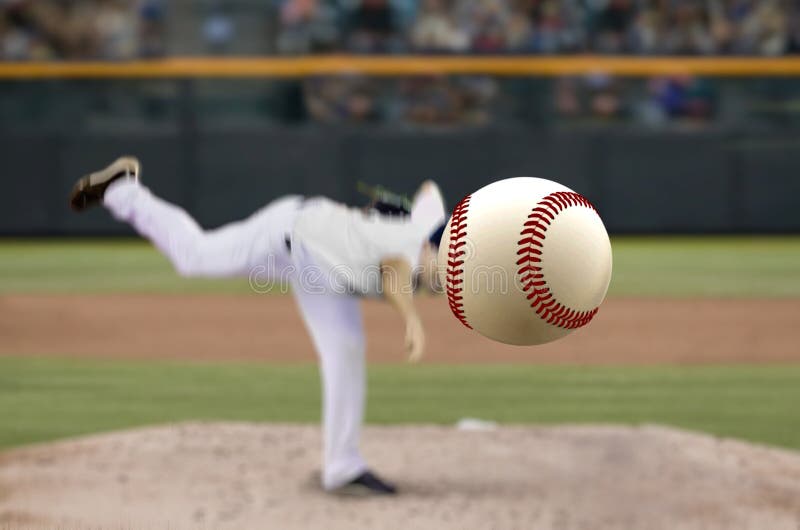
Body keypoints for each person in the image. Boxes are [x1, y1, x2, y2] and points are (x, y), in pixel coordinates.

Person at [68, 157, 447, 496]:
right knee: (194, 257)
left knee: (344, 348)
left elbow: (430, 191)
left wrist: (409, 210)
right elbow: (393, 272)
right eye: (443, 271)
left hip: (324, 269)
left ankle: (342, 467)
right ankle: (123, 190)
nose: (443, 280)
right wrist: (411, 320)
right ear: (430, 250)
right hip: (288, 234)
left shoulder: (432, 227)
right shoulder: (414, 255)